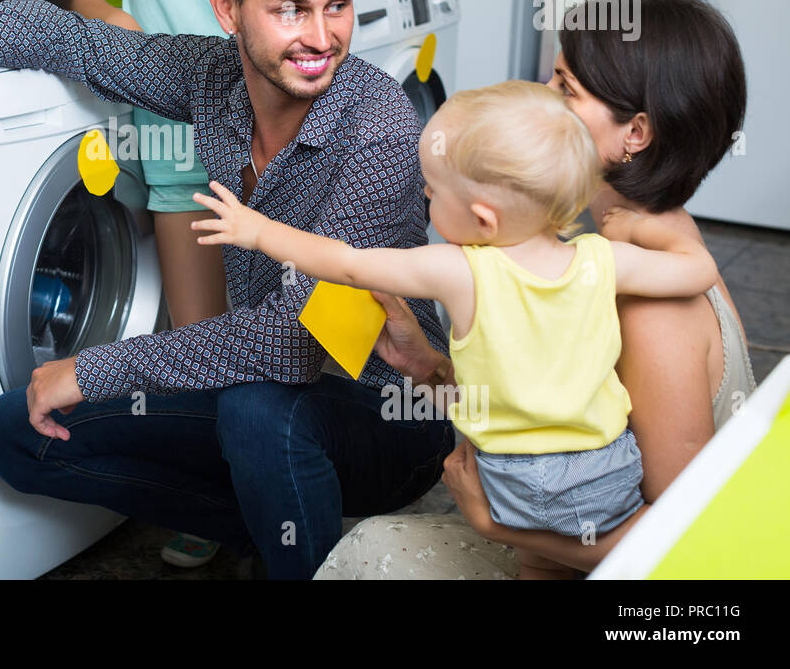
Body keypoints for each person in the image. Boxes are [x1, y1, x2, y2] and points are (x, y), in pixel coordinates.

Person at [0, 0, 454, 580]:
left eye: (336, 6)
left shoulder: (377, 124)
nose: (321, 37)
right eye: (290, 10)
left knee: (258, 410)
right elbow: (65, 36)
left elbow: (292, 340)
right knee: (13, 435)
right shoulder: (211, 77)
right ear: (228, 7)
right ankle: (274, 526)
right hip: (266, 399)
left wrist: (93, 368)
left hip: (387, 415)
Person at [189, 79, 719, 578]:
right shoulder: (603, 261)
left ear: (484, 220)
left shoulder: (461, 271)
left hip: (518, 488)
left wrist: (258, 231)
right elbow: (699, 268)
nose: (424, 194)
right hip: (610, 476)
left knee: (537, 561)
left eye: (434, 190)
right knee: (572, 557)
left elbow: (348, 264)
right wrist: (637, 227)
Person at [316, 0, 754, 579]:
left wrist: (494, 526)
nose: (539, 98)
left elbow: (683, 536)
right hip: (571, 534)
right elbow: (547, 415)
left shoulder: (651, 309)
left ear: (637, 134)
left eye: (566, 88)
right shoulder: (652, 245)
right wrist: (430, 367)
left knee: (374, 551)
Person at [70, 0, 248, 567]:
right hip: (170, 138)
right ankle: (212, 505)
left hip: (249, 138)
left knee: (270, 326)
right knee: (198, 327)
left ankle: (268, 482)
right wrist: (113, 24)